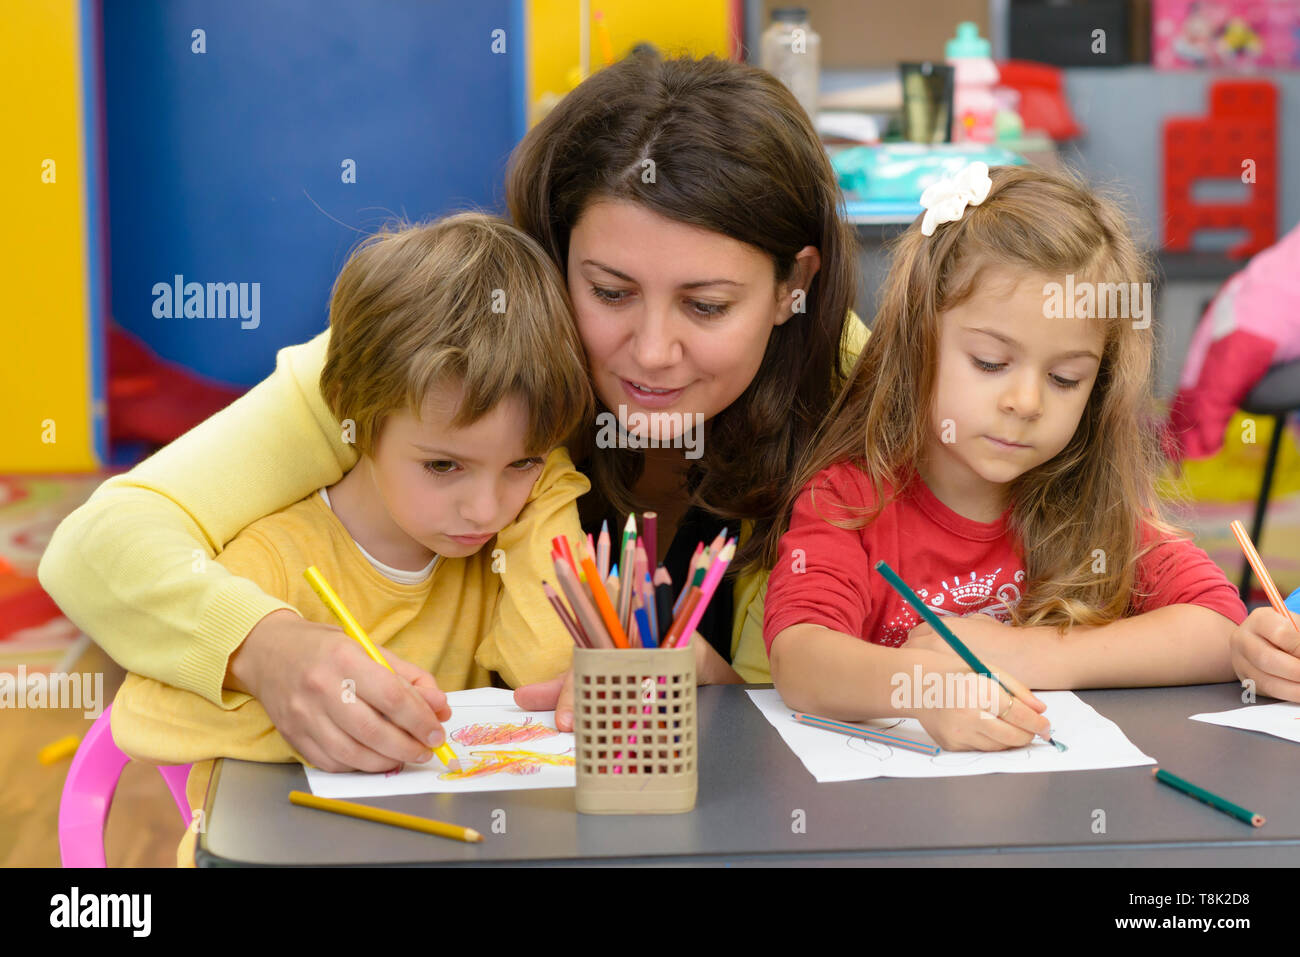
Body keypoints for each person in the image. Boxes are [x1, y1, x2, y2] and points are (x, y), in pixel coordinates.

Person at [39, 53, 864, 757]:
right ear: (555, 253)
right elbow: (100, 544)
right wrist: (267, 647)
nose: (651, 350)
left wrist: (722, 678)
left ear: (795, 284)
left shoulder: (856, 386)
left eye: (706, 306)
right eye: (609, 291)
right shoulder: (451, 356)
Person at [108, 214, 592, 864]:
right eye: (444, 465)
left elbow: (550, 670)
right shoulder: (275, 558)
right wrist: (332, 722)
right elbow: (142, 715)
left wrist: (551, 486)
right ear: (352, 414)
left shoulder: (496, 549)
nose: (485, 507)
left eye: (523, 462)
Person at [762, 163, 1247, 751]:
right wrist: (928, 689)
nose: (1025, 403)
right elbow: (801, 657)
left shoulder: (1086, 499)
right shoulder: (848, 500)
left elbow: (1223, 627)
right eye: (991, 363)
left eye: (1066, 378)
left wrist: (1023, 652)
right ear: (919, 340)